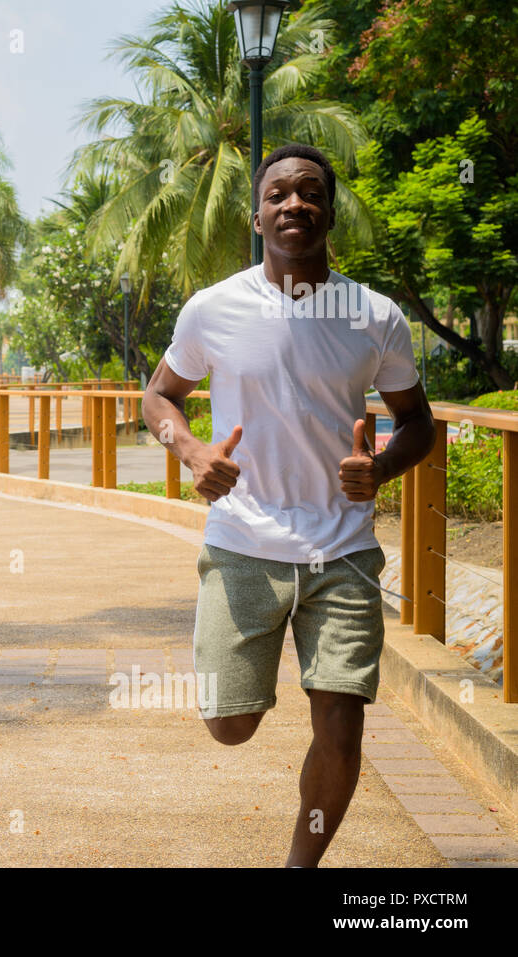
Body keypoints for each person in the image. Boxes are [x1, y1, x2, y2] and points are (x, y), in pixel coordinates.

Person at [142, 143, 437, 867]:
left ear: (330, 211)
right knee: (230, 723)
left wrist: (383, 466)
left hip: (344, 550)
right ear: (257, 216)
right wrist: (192, 453)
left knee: (340, 722)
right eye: (278, 194)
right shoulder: (213, 310)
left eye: (310, 192)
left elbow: (421, 421)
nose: (294, 204)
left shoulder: (374, 315)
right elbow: (158, 396)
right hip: (244, 541)